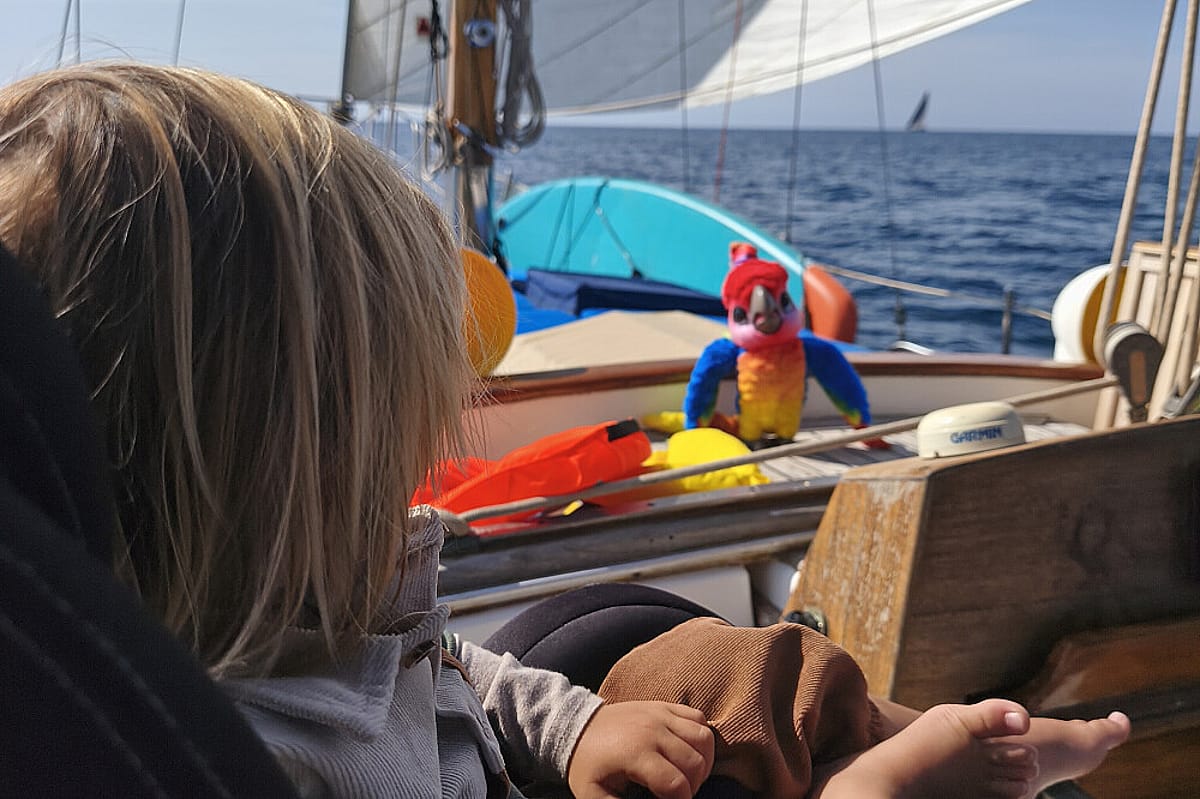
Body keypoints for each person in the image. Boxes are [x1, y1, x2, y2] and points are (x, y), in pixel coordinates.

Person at [0, 62, 1128, 799]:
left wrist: (574, 730)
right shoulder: (253, 763)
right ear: (275, 473)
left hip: (510, 765)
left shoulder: (320, 610)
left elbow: (449, 669)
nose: (421, 464)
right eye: (392, 433)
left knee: (636, 632)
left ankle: (898, 726)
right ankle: (905, 765)